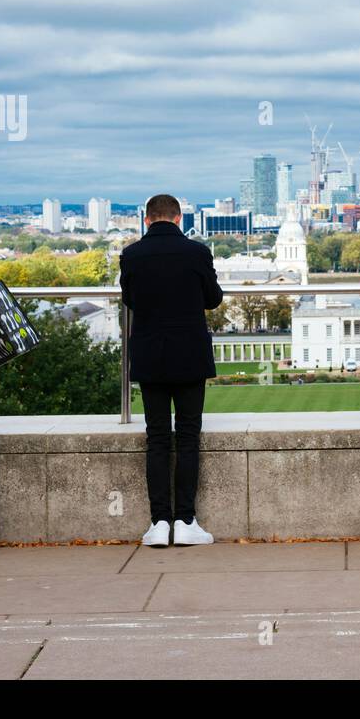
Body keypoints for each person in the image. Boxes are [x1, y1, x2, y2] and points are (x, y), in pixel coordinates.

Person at [119, 193, 224, 547]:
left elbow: (130, 300)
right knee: (189, 437)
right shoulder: (197, 252)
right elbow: (213, 298)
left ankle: (159, 522)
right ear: (179, 219)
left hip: (151, 355)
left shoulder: (131, 255)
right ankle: (186, 520)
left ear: (147, 220)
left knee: (158, 439)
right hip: (189, 355)